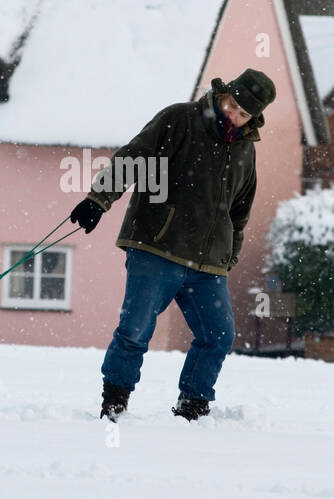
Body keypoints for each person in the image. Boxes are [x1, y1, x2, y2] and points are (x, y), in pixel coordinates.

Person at [70, 68, 276, 422]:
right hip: (156, 247)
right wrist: (99, 199)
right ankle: (114, 402)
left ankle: (193, 407)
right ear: (224, 94)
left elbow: (239, 212)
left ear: (252, 118)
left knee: (219, 335)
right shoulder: (180, 119)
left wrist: (228, 256)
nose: (233, 115)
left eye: (243, 114)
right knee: (135, 330)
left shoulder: (245, 151)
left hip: (208, 264)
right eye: (231, 105)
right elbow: (134, 156)